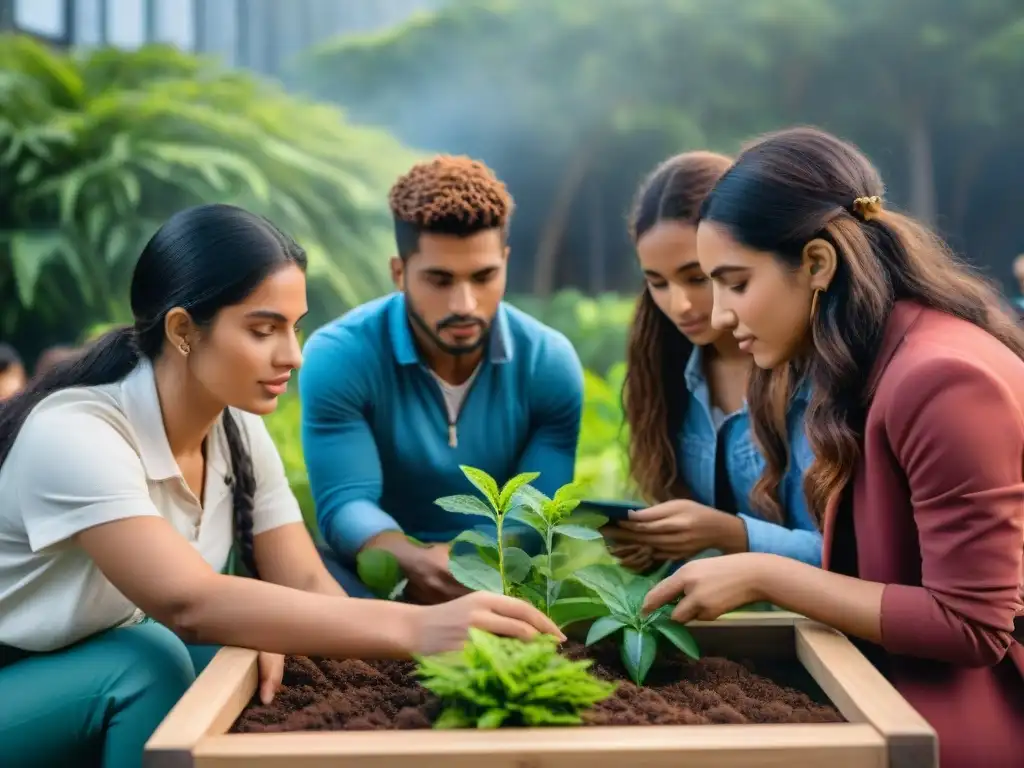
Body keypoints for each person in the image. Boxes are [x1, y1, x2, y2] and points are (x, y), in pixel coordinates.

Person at [0, 203, 562, 768]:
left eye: (295, 327)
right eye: (263, 330)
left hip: (85, 663)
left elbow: (306, 582)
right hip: (22, 674)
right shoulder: (76, 435)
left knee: (237, 645)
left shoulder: (235, 428)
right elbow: (189, 602)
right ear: (182, 330)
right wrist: (421, 626)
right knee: (148, 660)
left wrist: (414, 679)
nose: (292, 355)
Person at [644, 127, 1024, 766]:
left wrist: (763, 572)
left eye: (735, 283)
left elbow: (972, 625)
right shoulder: (874, 359)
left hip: (962, 725)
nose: (720, 315)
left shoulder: (942, 380)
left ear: (818, 264)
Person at [301, 155, 585, 602]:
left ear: (505, 262)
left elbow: (536, 515)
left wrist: (471, 564)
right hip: (377, 583)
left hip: (507, 579)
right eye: (439, 280)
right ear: (399, 273)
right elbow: (346, 502)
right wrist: (411, 558)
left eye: (484, 276)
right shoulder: (340, 355)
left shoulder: (548, 363)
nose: (465, 305)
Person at [607, 151, 821, 575]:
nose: (680, 305)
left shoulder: (811, 376)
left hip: (814, 615)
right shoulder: (665, 371)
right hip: (713, 613)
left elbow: (849, 559)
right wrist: (657, 546)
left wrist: (730, 534)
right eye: (657, 283)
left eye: (697, 278)